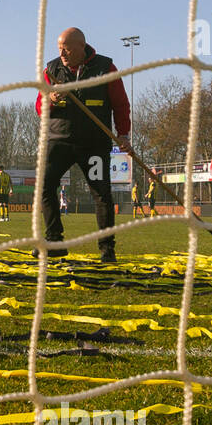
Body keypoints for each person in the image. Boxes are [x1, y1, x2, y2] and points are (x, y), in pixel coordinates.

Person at [33, 27, 132, 262]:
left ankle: (107, 248)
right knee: (44, 185)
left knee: (101, 194)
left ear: (81, 46)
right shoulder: (51, 70)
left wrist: (123, 134)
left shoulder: (105, 68)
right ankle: (54, 241)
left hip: (93, 145)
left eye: (66, 49)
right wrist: (51, 100)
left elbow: (120, 104)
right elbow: (39, 107)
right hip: (60, 142)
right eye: (59, 49)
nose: (62, 54)